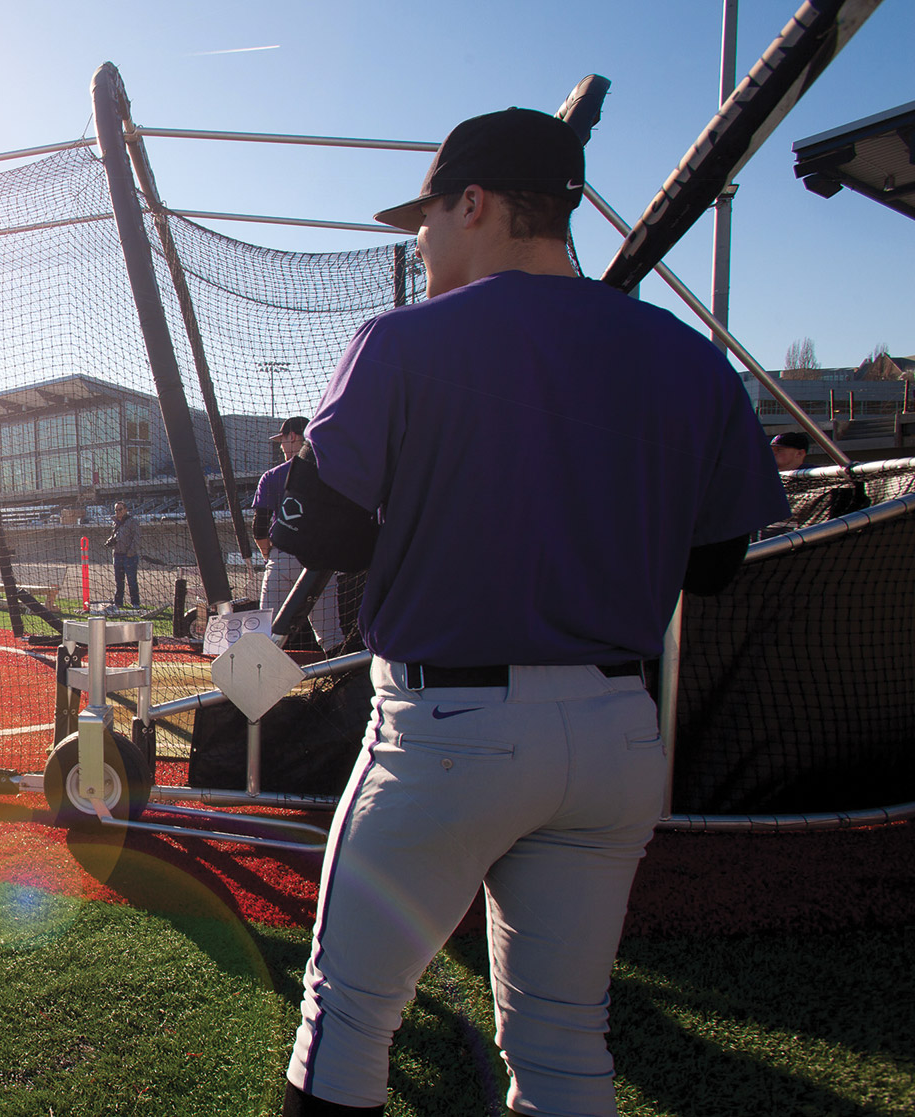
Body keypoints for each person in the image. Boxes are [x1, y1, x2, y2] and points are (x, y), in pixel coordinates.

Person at [270, 108, 787, 1117]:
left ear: (474, 204)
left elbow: (317, 531)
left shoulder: (401, 340)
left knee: (348, 1017)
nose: (418, 241)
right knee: (562, 1042)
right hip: (616, 739)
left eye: (426, 218)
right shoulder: (683, 355)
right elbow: (717, 564)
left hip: (445, 732)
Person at [251, 415, 341, 652]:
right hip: (322, 561)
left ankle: (262, 688)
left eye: (282, 439)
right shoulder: (332, 472)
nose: (281, 445)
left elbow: (260, 528)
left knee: (267, 635)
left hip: (283, 558)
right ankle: (346, 684)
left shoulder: (272, 476)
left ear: (293, 437)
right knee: (331, 637)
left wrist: (268, 554)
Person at [104, 501, 140, 609]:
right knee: (119, 581)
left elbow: (136, 538)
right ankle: (118, 603)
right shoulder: (115, 523)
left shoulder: (132, 522)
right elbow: (115, 536)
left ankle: (135, 603)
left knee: (132, 581)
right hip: (117, 555)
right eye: (116, 510)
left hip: (129, 556)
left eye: (120, 509)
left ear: (125, 510)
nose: (118, 512)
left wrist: (130, 553)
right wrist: (110, 541)